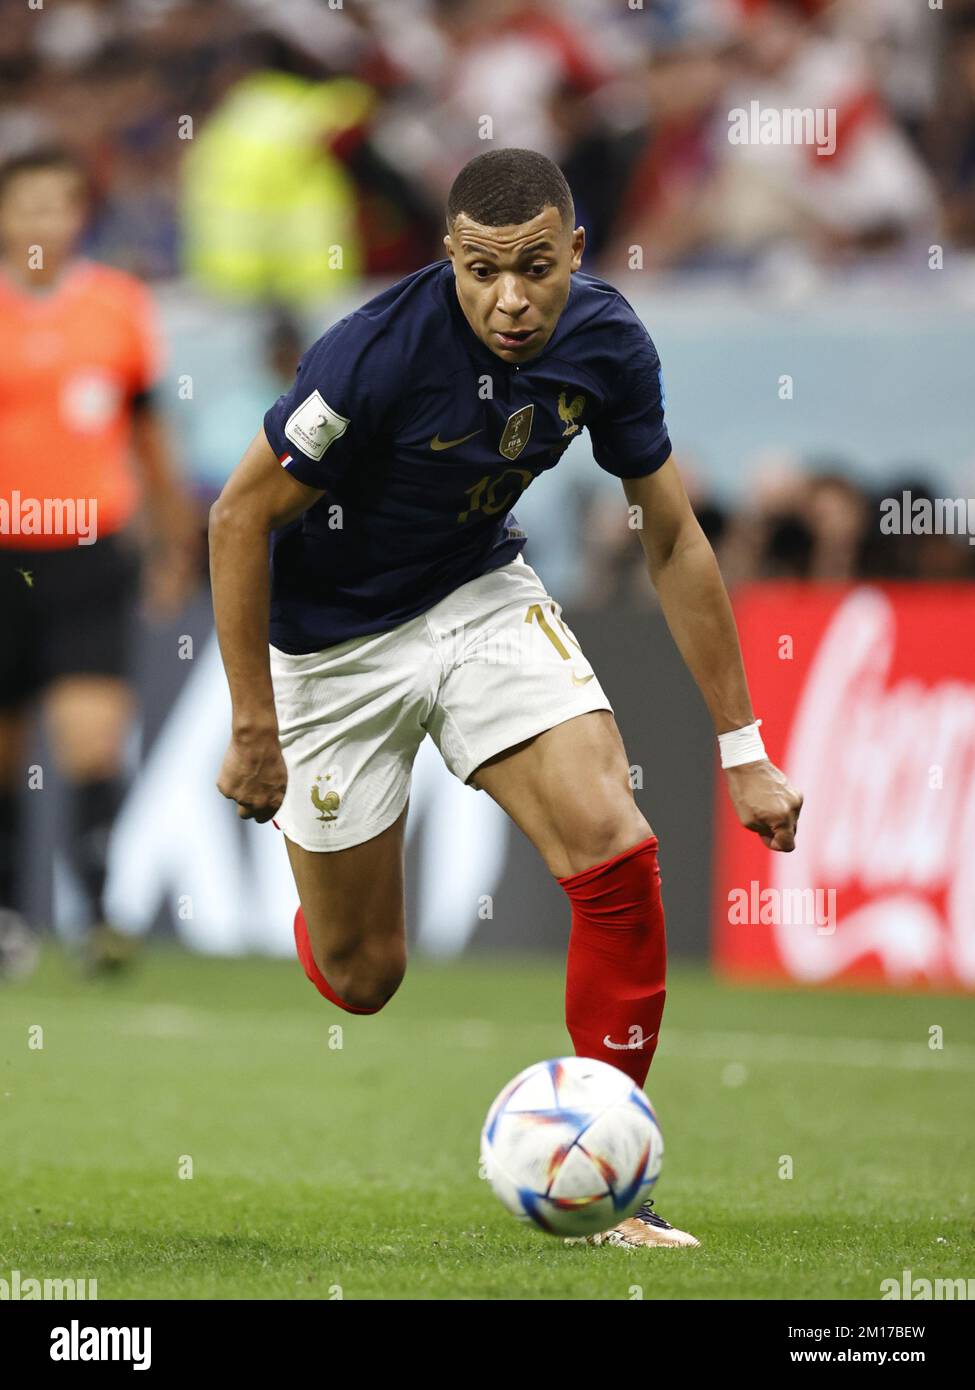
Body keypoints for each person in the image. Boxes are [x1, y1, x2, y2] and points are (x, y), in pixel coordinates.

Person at [209, 147, 802, 1249]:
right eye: (483, 271)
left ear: (577, 249)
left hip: (477, 594)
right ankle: (326, 900)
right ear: (450, 258)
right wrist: (254, 724)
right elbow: (239, 518)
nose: (511, 298)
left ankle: (614, 1187)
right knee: (363, 975)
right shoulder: (374, 353)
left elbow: (670, 533)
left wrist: (744, 748)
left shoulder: (610, 342)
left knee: (614, 846)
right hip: (332, 649)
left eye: (536, 266)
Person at [0, 147, 197, 971]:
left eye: (59, 204)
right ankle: (10, 919)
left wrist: (175, 542)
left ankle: (97, 912)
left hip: (88, 553)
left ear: (80, 215)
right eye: (28, 205)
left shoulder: (118, 306)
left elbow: (150, 438)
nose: (44, 220)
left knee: (90, 742)